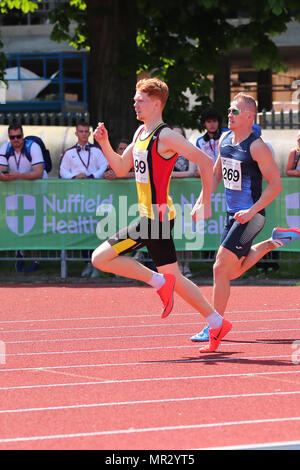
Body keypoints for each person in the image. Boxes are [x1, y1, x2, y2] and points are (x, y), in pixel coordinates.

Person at [92, 77, 232, 354]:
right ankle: (216, 322)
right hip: (151, 216)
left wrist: (206, 200)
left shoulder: (166, 136)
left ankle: (158, 282)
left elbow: (204, 161)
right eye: (135, 99)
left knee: (100, 258)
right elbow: (121, 168)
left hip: (156, 217)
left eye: (140, 100)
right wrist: (105, 143)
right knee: (175, 277)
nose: (135, 103)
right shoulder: (139, 133)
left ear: (156, 104)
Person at [191, 92, 300, 344]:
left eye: (235, 111)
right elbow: (216, 174)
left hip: (251, 215)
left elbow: (275, 186)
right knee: (232, 272)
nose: (229, 115)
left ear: (250, 116)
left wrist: (251, 211)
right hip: (233, 215)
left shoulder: (257, 147)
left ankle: (215, 325)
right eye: (229, 110)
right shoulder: (225, 140)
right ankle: (273, 242)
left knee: (219, 268)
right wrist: (202, 200)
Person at [59, 120, 108, 278]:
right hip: (77, 197)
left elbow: (104, 165)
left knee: (96, 229)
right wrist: (74, 176)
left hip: (95, 196)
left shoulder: (97, 151)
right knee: (81, 228)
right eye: (81, 131)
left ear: (89, 133)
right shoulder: (69, 152)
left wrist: (91, 176)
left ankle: (96, 263)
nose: (84, 134)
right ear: (76, 133)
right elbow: (63, 171)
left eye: (86, 131)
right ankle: (86, 262)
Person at [0, 122, 45, 273]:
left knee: (35, 225)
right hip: (17, 193)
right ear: (9, 137)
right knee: (19, 224)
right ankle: (20, 253)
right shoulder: (5, 148)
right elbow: (2, 171)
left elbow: (38, 172)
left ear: (23, 136)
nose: (16, 140)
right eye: (13, 137)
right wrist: (4, 177)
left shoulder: (33, 147)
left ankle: (36, 259)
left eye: (18, 136)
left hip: (36, 191)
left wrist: (18, 176)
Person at [171, 126, 196, 278]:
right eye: (173, 134)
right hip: (170, 196)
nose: (176, 137)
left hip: (187, 196)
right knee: (174, 232)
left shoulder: (189, 151)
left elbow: (191, 172)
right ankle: (177, 265)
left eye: (179, 135)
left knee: (188, 231)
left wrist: (171, 174)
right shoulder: (164, 151)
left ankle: (187, 265)